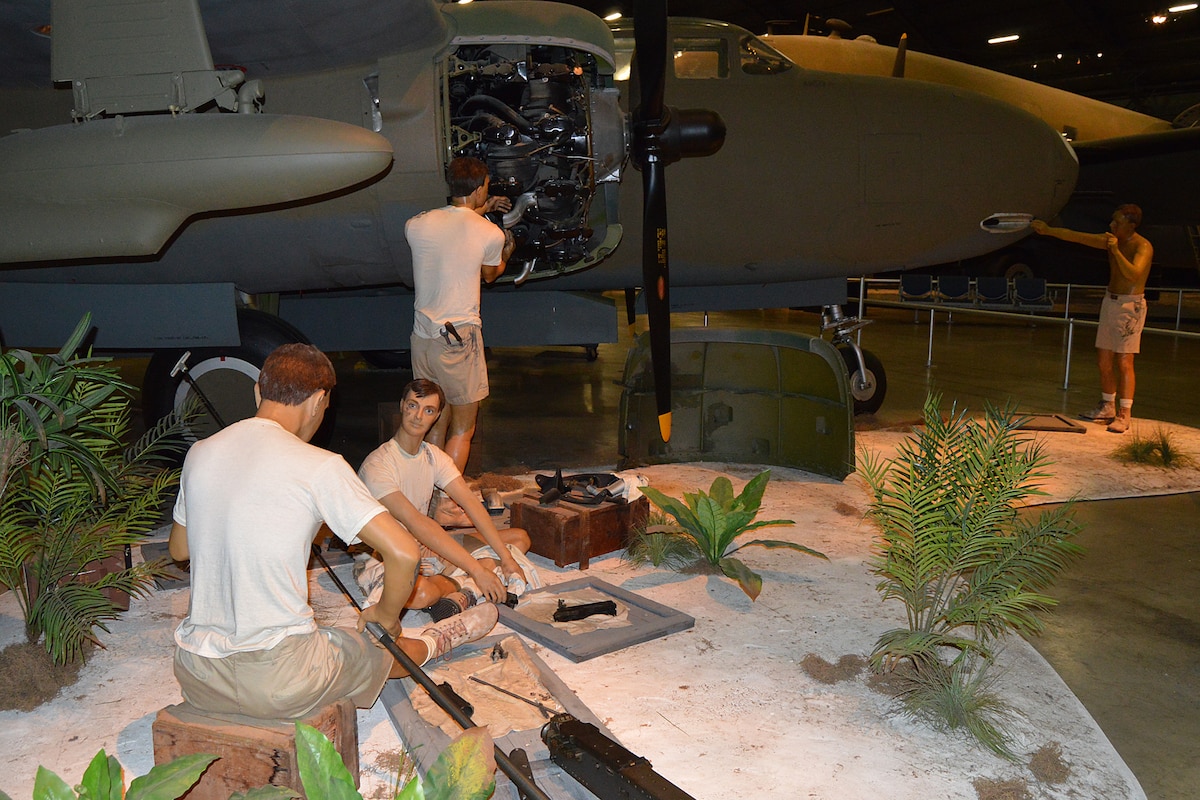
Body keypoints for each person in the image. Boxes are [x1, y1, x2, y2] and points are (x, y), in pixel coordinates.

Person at [168, 344, 497, 721]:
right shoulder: (320, 466)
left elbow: (180, 549)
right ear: (318, 400)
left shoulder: (200, 453)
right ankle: (437, 640)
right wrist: (386, 616)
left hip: (197, 674)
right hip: (279, 682)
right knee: (368, 645)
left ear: (258, 391)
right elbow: (404, 552)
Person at [356, 378, 535, 620]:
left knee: (518, 539)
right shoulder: (379, 464)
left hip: (425, 545)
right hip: (386, 552)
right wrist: (477, 570)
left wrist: (506, 558)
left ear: (437, 416)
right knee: (418, 596)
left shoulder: (433, 456)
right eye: (412, 406)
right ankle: (468, 583)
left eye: (428, 410)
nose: (418, 416)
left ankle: (466, 579)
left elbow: (470, 503)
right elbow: (415, 521)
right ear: (401, 406)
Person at [406, 156, 516, 476]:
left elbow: (454, 228)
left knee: (435, 421)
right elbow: (491, 274)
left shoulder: (416, 225)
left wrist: (478, 209)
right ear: (482, 187)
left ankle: (427, 498)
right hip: (459, 338)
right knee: (463, 429)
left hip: (422, 338)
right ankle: (449, 502)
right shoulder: (490, 233)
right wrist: (507, 249)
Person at [1031, 204, 1153, 433]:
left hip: (1130, 305)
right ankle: (1108, 405)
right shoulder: (1111, 240)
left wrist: (1116, 251)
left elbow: (1133, 274)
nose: (1111, 225)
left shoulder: (1142, 246)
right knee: (1103, 359)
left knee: (1125, 360)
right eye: (1112, 221)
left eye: (1117, 222)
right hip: (1111, 301)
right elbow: (1078, 237)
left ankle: (1125, 413)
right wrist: (1048, 230)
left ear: (1131, 225)